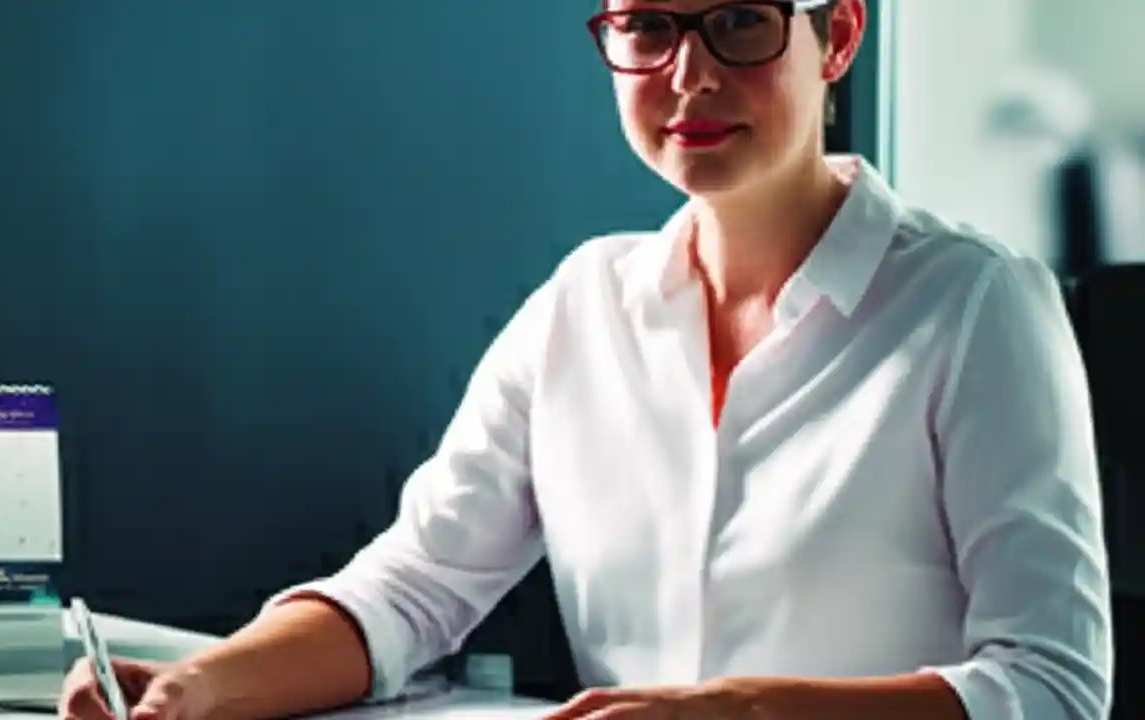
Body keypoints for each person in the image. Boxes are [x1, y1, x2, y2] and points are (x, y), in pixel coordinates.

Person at [59, 0, 1114, 718]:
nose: (687, 75)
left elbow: (1054, 685)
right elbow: (414, 585)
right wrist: (202, 686)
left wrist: (752, 708)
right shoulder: (582, 304)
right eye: (644, 27)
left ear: (835, 36)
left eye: (738, 21)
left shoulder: (975, 302)